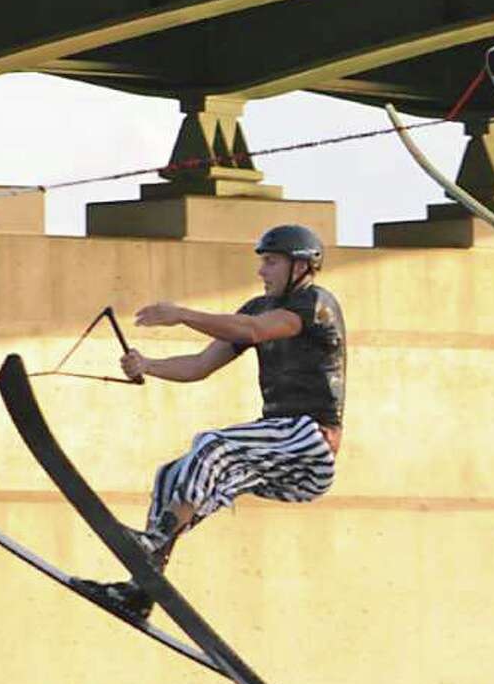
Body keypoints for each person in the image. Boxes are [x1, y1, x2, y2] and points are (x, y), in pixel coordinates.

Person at [76, 223, 345, 621]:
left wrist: (182, 314)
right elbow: (200, 365)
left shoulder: (315, 303)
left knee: (212, 444)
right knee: (171, 474)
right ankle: (142, 587)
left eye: (271, 262)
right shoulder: (256, 308)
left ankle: (152, 542)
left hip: (309, 442)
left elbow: (254, 331)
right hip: (276, 450)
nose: (262, 271)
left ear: (300, 266)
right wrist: (147, 365)